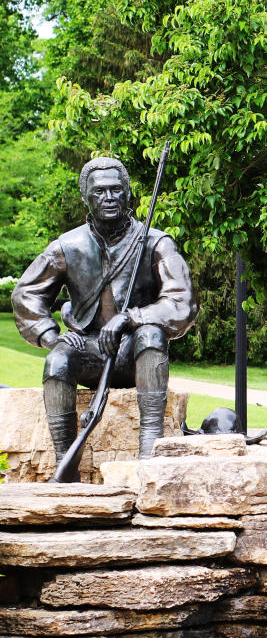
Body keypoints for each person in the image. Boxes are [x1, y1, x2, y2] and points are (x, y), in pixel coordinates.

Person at [12, 157, 198, 475]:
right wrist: (50, 335)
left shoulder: (156, 242)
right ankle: (65, 467)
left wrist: (131, 318)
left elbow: (183, 301)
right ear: (87, 197)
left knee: (151, 332)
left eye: (115, 190)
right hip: (89, 354)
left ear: (128, 194)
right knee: (57, 359)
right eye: (100, 191)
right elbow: (25, 295)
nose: (108, 197)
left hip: (137, 356)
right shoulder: (66, 246)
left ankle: (149, 458)